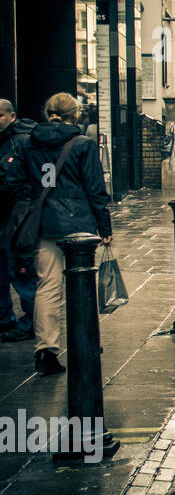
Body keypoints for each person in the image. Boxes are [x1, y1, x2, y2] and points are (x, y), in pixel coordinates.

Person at [2, 93, 113, 382]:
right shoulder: (83, 145)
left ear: (47, 112)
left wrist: (35, 198)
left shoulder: (26, 143)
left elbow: (13, 181)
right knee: (81, 284)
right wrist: (105, 228)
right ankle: (85, 342)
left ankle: (46, 350)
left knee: (47, 285)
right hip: (79, 225)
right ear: (75, 115)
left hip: (43, 224)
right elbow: (95, 189)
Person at [0, 99, 37, 342]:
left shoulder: (22, 142)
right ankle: (4, 321)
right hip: (5, 217)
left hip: (17, 218)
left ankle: (31, 322)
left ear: (11, 116)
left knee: (20, 271)